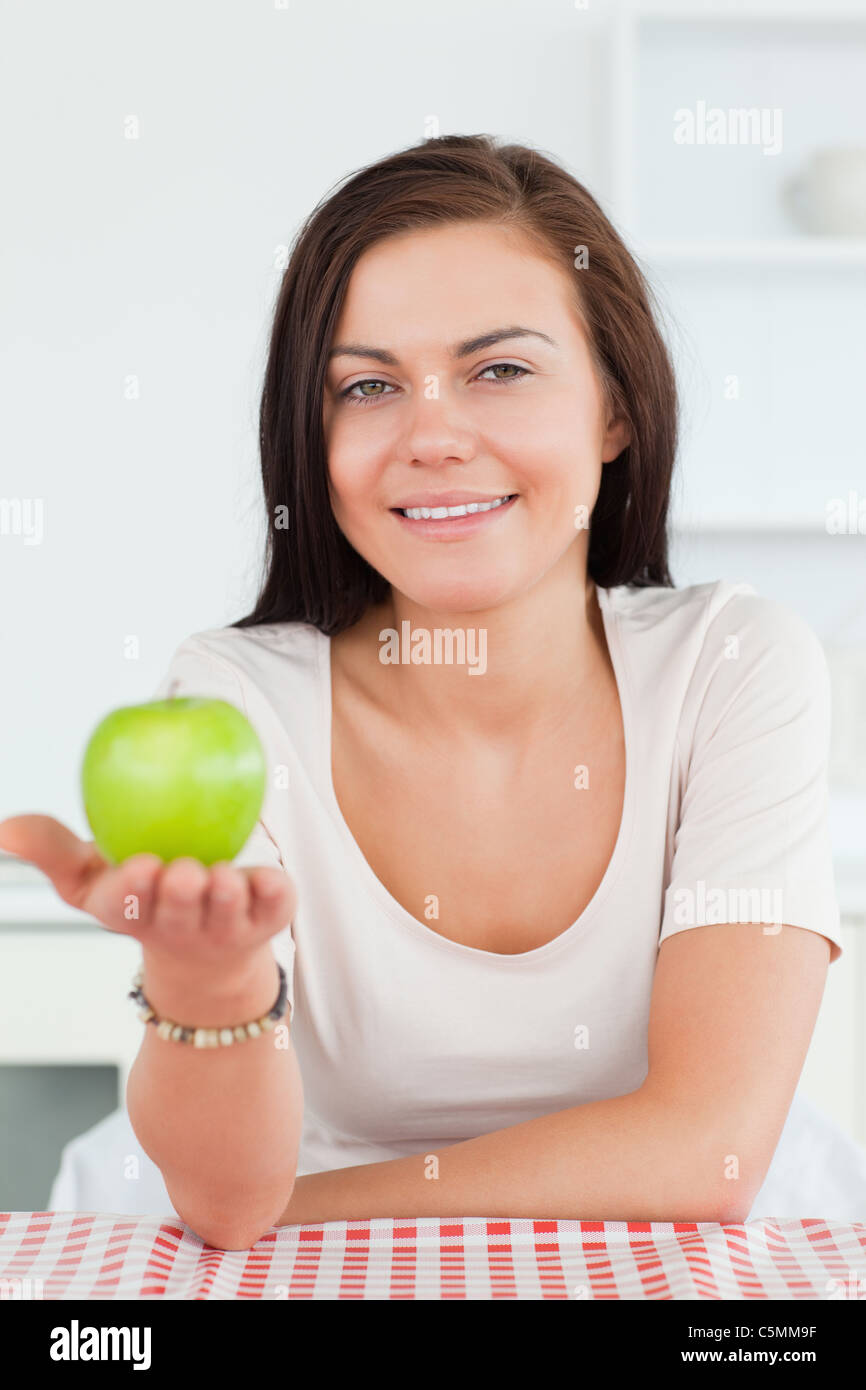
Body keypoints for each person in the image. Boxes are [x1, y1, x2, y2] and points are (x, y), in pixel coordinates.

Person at [0, 135, 852, 1249]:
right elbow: (219, 1189)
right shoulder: (234, 699)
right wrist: (206, 982)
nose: (431, 436)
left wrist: (288, 1218)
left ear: (613, 409)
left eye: (499, 369)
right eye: (367, 386)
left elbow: (705, 1148)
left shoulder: (733, 663)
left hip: (613, 1243)